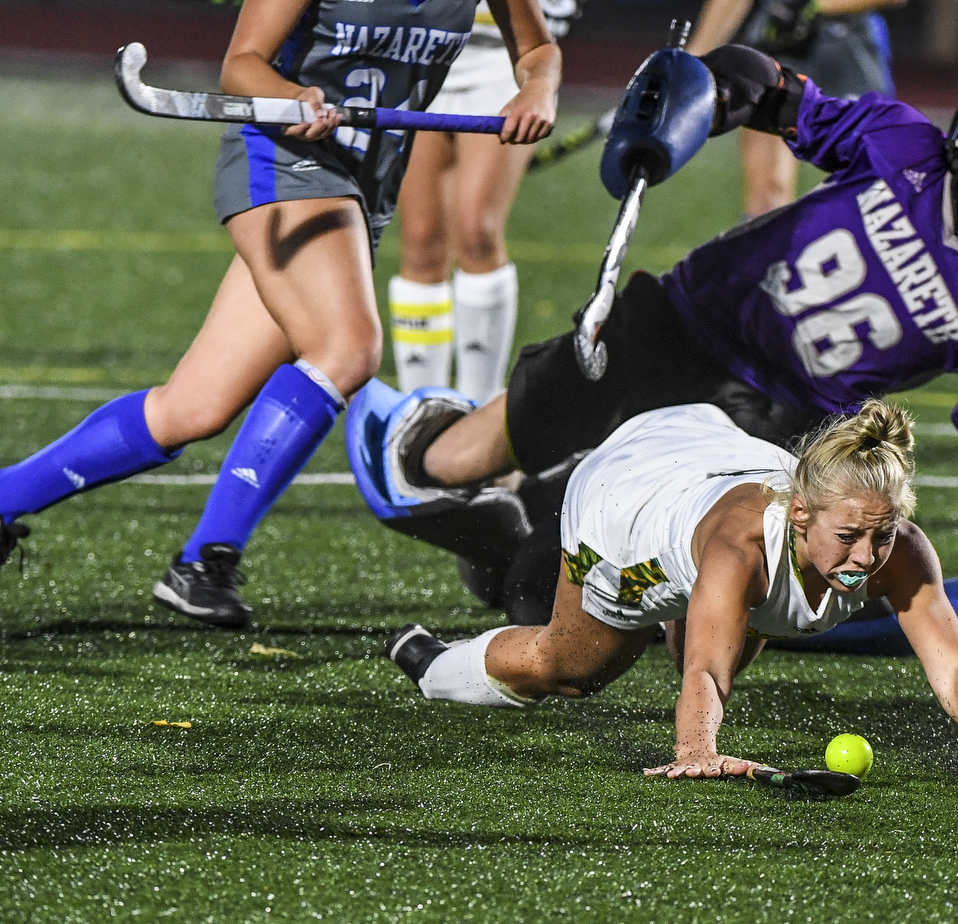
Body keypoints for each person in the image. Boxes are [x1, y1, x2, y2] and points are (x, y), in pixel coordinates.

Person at [367, 44, 958, 615]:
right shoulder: (903, 144)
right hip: (682, 322)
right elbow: (772, 90)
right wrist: (707, 95)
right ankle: (492, 479)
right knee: (442, 464)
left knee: (533, 592)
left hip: (770, 421)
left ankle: (539, 509)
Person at [0, 0, 560, 628]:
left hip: (365, 185)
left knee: (191, 408)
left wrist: (536, 90)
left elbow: (538, 50)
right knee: (347, 348)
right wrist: (291, 95)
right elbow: (242, 66)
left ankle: (3, 497)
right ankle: (204, 562)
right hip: (284, 164)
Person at [386, 399, 958, 790]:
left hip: (707, 443)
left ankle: (690, 618)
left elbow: (953, 664)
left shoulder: (894, 549)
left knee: (739, 619)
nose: (865, 560)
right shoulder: (740, 545)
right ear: (804, 513)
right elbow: (707, 670)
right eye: (850, 537)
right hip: (627, 499)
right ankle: (429, 660)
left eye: (881, 536)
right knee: (571, 669)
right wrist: (698, 750)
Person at [387, 0, 580, 402]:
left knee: (477, 232)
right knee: (422, 242)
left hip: (503, 57)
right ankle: (419, 415)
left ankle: (477, 408)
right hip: (418, 47)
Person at [688, 0, 901, 218]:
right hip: (780, 35)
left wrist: (816, 6)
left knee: (870, 191)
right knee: (767, 197)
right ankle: (771, 249)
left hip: (847, 44)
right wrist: (695, 58)